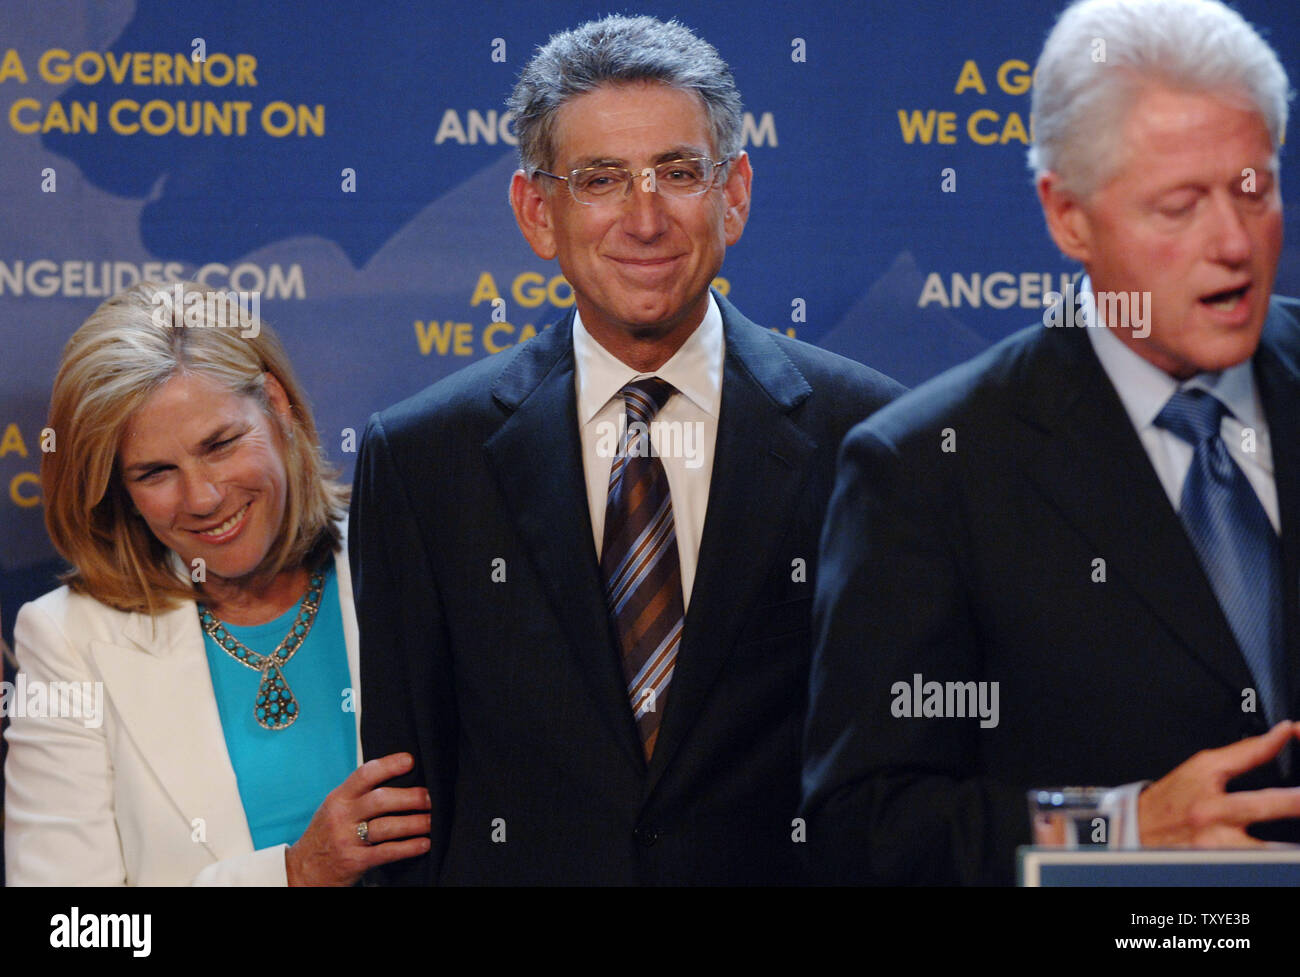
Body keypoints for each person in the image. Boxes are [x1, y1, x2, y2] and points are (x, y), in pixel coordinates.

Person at [351, 14, 903, 884]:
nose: (645, 219)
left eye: (678, 173)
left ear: (734, 194)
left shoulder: (871, 438)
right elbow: (409, 816)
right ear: (539, 213)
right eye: (600, 179)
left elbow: (899, 775)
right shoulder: (424, 459)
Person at [801, 0, 1300, 885]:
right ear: (1068, 216)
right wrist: (1118, 829)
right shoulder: (930, 467)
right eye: (1179, 205)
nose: (1232, 243)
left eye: (1252, 189)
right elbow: (866, 828)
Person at [4, 281, 431, 884]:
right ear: (119, 489)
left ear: (277, 405)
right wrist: (294, 874)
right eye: (155, 472)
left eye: (221, 444)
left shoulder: (410, 558)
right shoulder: (65, 639)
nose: (202, 497)